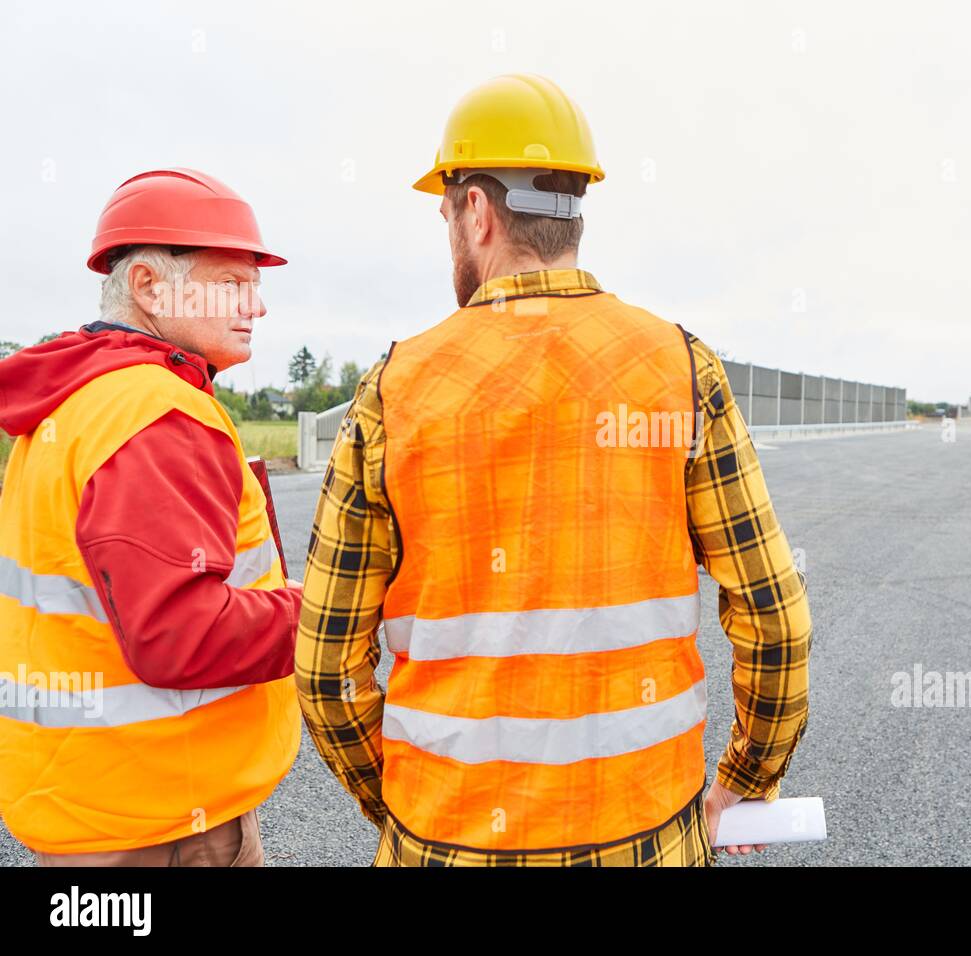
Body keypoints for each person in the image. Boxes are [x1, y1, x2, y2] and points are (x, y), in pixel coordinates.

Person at [296, 74, 812, 866]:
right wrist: (744, 780)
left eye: (445, 212)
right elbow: (775, 617)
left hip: (445, 840)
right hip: (649, 837)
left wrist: (403, 808)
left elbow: (327, 668)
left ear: (477, 209)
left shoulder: (393, 393)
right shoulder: (679, 368)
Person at [0, 168, 301, 866]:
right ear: (146, 287)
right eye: (231, 282)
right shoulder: (152, 411)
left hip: (93, 802)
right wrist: (320, 615)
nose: (255, 306)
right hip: (163, 825)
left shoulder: (77, 401)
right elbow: (179, 637)